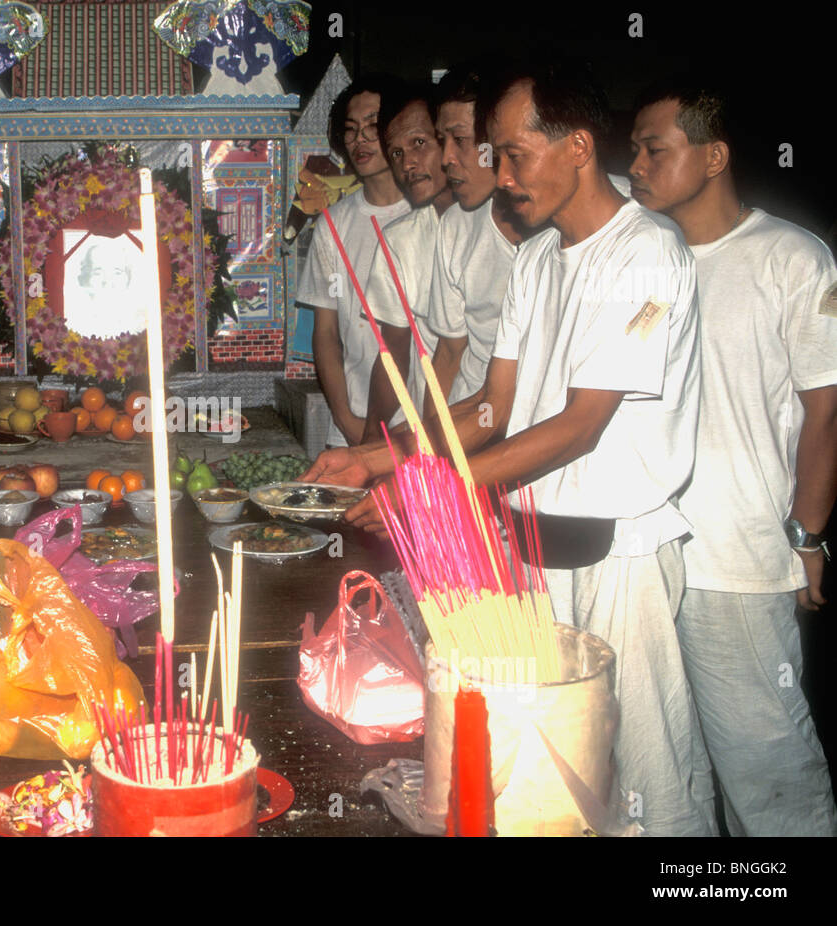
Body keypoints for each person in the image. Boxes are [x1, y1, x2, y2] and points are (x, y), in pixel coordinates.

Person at [306, 59, 715, 836]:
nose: (500, 174)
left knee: (648, 772)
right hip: (537, 548)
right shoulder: (536, 258)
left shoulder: (645, 255)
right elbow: (493, 408)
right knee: (556, 761)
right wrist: (380, 457)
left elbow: (578, 426)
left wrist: (430, 491)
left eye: (513, 154)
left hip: (620, 554)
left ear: (578, 147)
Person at [629, 77, 837, 835]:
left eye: (656, 149)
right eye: (634, 150)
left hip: (738, 554)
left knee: (766, 763)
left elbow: (826, 411)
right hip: (650, 552)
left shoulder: (791, 257)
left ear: (713, 156)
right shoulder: (649, 264)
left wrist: (806, 536)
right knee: (670, 764)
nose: (639, 166)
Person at [296, 76, 413, 448]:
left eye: (372, 127)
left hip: (421, 426)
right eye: (351, 130)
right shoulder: (333, 224)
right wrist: (346, 420)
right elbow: (326, 333)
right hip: (353, 427)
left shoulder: (428, 213)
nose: (360, 139)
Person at [426, 60, 529, 406]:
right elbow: (449, 352)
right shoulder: (456, 226)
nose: (446, 158)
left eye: (461, 140)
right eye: (443, 141)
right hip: (472, 417)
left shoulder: (565, 227)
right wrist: (428, 447)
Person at [361, 82, 457, 440]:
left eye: (419, 143)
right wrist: (370, 439)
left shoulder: (507, 225)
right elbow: (395, 355)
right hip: (432, 434)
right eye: (396, 153)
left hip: (500, 431)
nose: (409, 164)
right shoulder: (400, 241)